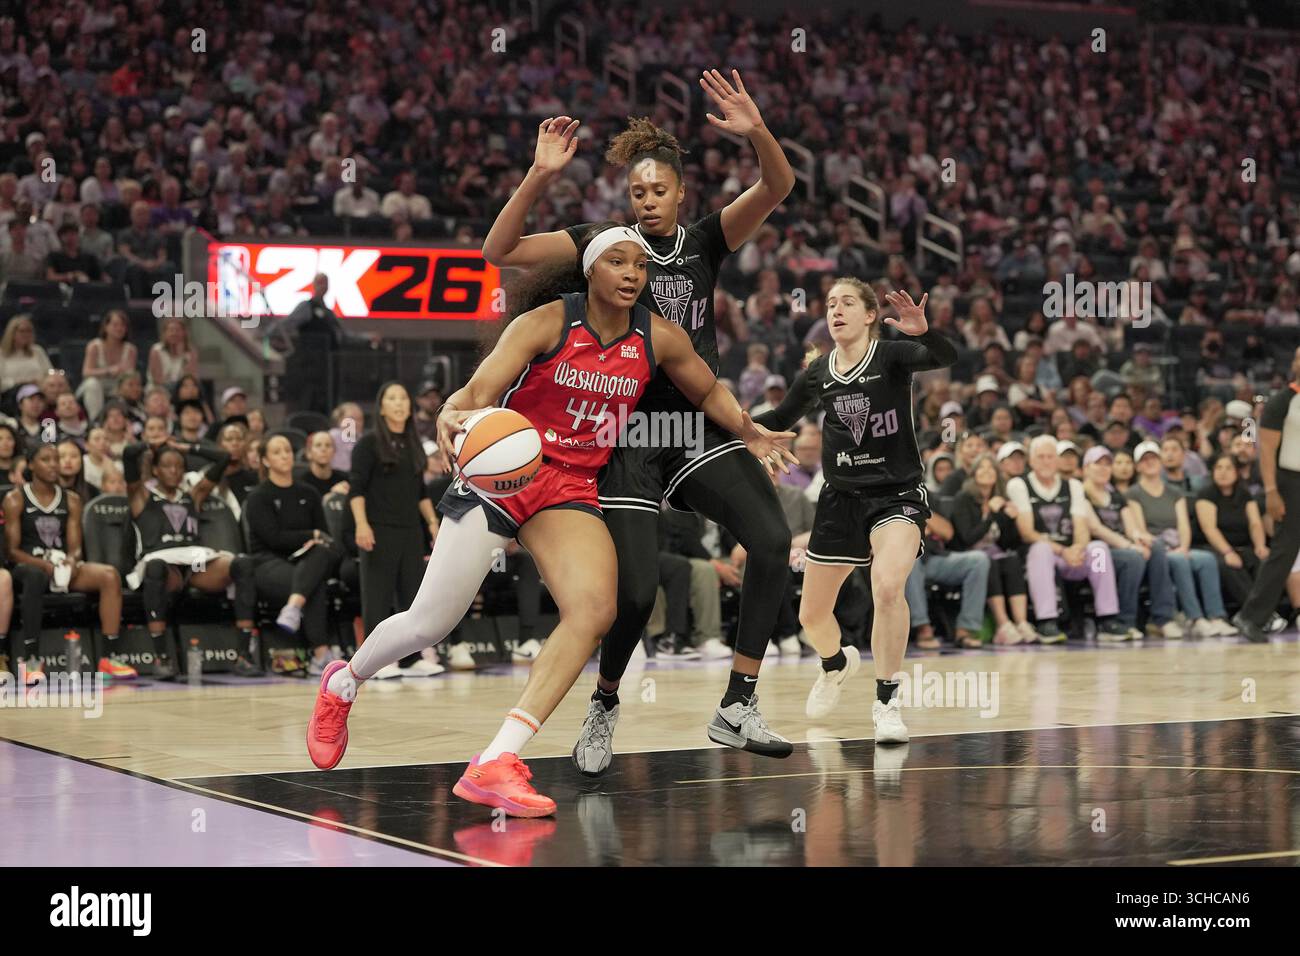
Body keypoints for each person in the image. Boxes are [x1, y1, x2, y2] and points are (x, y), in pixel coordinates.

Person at [307, 223, 794, 818]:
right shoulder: (545, 323)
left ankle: (496, 760)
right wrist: (457, 409)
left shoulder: (657, 337)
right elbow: (481, 387)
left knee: (595, 610)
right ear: (590, 270)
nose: (632, 275)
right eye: (618, 262)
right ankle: (343, 682)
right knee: (427, 624)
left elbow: (707, 390)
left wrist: (750, 431)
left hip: (570, 484)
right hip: (506, 470)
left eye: (640, 266)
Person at [480, 75, 799, 777]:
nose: (647, 201)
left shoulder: (707, 241)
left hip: (699, 429)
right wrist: (539, 176)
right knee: (632, 594)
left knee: (773, 541)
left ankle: (738, 702)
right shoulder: (604, 244)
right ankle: (605, 700)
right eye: (637, 192)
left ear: (682, 193)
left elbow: (778, 185)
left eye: (658, 190)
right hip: (624, 436)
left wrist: (756, 131)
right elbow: (499, 251)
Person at [753, 278, 956, 737]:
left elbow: (945, 357)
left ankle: (886, 702)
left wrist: (923, 331)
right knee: (811, 616)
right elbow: (781, 419)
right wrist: (730, 423)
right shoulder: (818, 371)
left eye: (847, 303)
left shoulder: (890, 355)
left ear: (869, 315)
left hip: (896, 495)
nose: (836, 310)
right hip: (839, 499)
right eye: (829, 304)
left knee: (887, 587)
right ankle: (835, 662)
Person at [122, 437, 259, 679]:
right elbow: (128, 454)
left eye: (178, 465)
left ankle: (243, 654)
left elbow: (223, 458)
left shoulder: (193, 495)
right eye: (166, 465)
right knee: (155, 567)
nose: (174, 470)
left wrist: (186, 447)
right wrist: (151, 445)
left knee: (242, 564)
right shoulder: (142, 495)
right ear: (155, 469)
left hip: (195, 565)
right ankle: (162, 657)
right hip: (164, 566)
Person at [4, 444, 135, 681]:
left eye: (56, 459)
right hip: (28, 565)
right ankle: (31, 660)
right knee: (35, 576)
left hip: (60, 564)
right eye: (46, 459)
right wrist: (44, 565)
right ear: (31, 465)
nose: (54, 464)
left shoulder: (72, 499)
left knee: (109, 575)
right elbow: (12, 551)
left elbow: (75, 547)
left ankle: (109, 657)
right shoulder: (16, 499)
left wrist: (72, 561)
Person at [345, 381, 444, 680]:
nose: (399, 403)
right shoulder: (368, 443)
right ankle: (375, 661)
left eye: (403, 397)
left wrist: (432, 524)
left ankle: (410, 659)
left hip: (409, 530)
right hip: (378, 529)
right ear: (382, 406)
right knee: (377, 596)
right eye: (392, 398)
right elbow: (356, 489)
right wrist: (361, 524)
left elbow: (420, 492)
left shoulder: (414, 444)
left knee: (412, 597)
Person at [1008, 435, 1129, 642]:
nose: (1046, 461)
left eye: (1050, 457)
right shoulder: (1019, 485)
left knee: (1098, 548)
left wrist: (1078, 549)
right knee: (1040, 549)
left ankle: (1107, 617)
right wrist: (1063, 551)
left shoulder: (1073, 485)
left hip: (1071, 555)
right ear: (1031, 461)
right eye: (1041, 457)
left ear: (1057, 460)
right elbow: (1027, 532)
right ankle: (1047, 621)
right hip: (1042, 555)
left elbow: (1081, 526)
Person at [245, 434, 344, 677]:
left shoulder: (308, 493)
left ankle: (293, 608)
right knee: (313, 582)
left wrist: (314, 539)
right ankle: (320, 655)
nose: (285, 455)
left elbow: (326, 536)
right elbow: (273, 538)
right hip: (268, 563)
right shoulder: (259, 496)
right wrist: (309, 535)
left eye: (287, 450)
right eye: (277, 452)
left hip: (308, 559)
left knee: (320, 556)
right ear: (265, 461)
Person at [1126, 440, 1237, 639]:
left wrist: (1184, 547)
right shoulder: (1133, 493)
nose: (1150, 462)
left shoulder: (1174, 493)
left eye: (1153, 458)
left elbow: (1183, 524)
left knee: (1207, 559)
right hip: (1156, 549)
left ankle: (1216, 616)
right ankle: (1195, 618)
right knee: (1179, 561)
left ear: (1159, 462)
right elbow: (1140, 529)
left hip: (1179, 546)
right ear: (1138, 466)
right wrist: (1171, 550)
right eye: (1144, 460)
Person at [1080, 445, 1182, 640]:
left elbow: (1131, 527)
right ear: (1086, 468)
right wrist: (1129, 546)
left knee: (1157, 548)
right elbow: (1096, 528)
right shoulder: (1080, 493)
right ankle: (1124, 621)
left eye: (1107, 464)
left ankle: (1162, 618)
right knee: (1132, 558)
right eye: (1097, 464)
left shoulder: (1116, 495)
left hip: (1120, 549)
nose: (1103, 468)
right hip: (1096, 554)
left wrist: (1141, 539)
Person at [1233, 347, 1300, 642]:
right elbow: (1267, 451)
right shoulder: (1282, 401)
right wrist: (1272, 491)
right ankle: (1250, 616)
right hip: (1290, 481)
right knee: (1284, 551)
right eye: (1298, 357)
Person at [950, 452, 1035, 645]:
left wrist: (1010, 519)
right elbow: (967, 538)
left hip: (994, 552)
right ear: (973, 474)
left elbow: (1009, 543)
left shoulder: (1000, 499)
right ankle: (1002, 624)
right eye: (982, 467)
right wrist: (992, 516)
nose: (987, 472)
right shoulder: (963, 499)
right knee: (989, 563)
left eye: (991, 468)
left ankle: (1021, 622)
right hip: (968, 554)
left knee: (1012, 561)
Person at [1196, 453, 1271, 618]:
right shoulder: (1206, 494)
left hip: (1243, 546)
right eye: (1219, 468)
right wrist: (1228, 552)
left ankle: (1265, 612)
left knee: (1260, 560)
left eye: (1228, 468)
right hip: (1215, 548)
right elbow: (1209, 528)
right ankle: (1257, 615)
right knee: (1229, 565)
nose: (1223, 472)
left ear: (1237, 472)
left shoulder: (1244, 495)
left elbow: (1255, 523)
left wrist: (1260, 545)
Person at [79, 310, 138, 421]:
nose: (119, 328)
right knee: (92, 384)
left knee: (129, 387)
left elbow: (131, 376)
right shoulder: (94, 346)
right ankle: (96, 421)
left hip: (117, 386)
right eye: (115, 325)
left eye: (122, 325)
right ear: (106, 327)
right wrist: (109, 371)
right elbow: (86, 372)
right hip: (97, 384)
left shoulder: (130, 349)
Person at [0, 315, 53, 393]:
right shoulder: (2, 354)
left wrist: (40, 382)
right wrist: (19, 383)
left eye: (29, 331)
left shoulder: (38, 350)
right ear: (12, 333)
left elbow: (49, 374)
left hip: (38, 392)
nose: (26, 334)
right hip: (11, 393)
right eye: (22, 331)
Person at [293, 431, 350, 500]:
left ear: (334, 452)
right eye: (318, 445)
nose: (323, 449)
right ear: (309, 453)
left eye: (328, 445)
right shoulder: (301, 483)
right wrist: (333, 497)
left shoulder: (344, 479)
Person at [147, 318, 199, 389]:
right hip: (159, 390)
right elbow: (157, 380)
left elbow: (191, 378)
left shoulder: (191, 352)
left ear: (184, 333)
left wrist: (180, 353)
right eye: (171, 330)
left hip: (182, 392)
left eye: (177, 330)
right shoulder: (156, 350)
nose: (174, 333)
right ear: (165, 333)